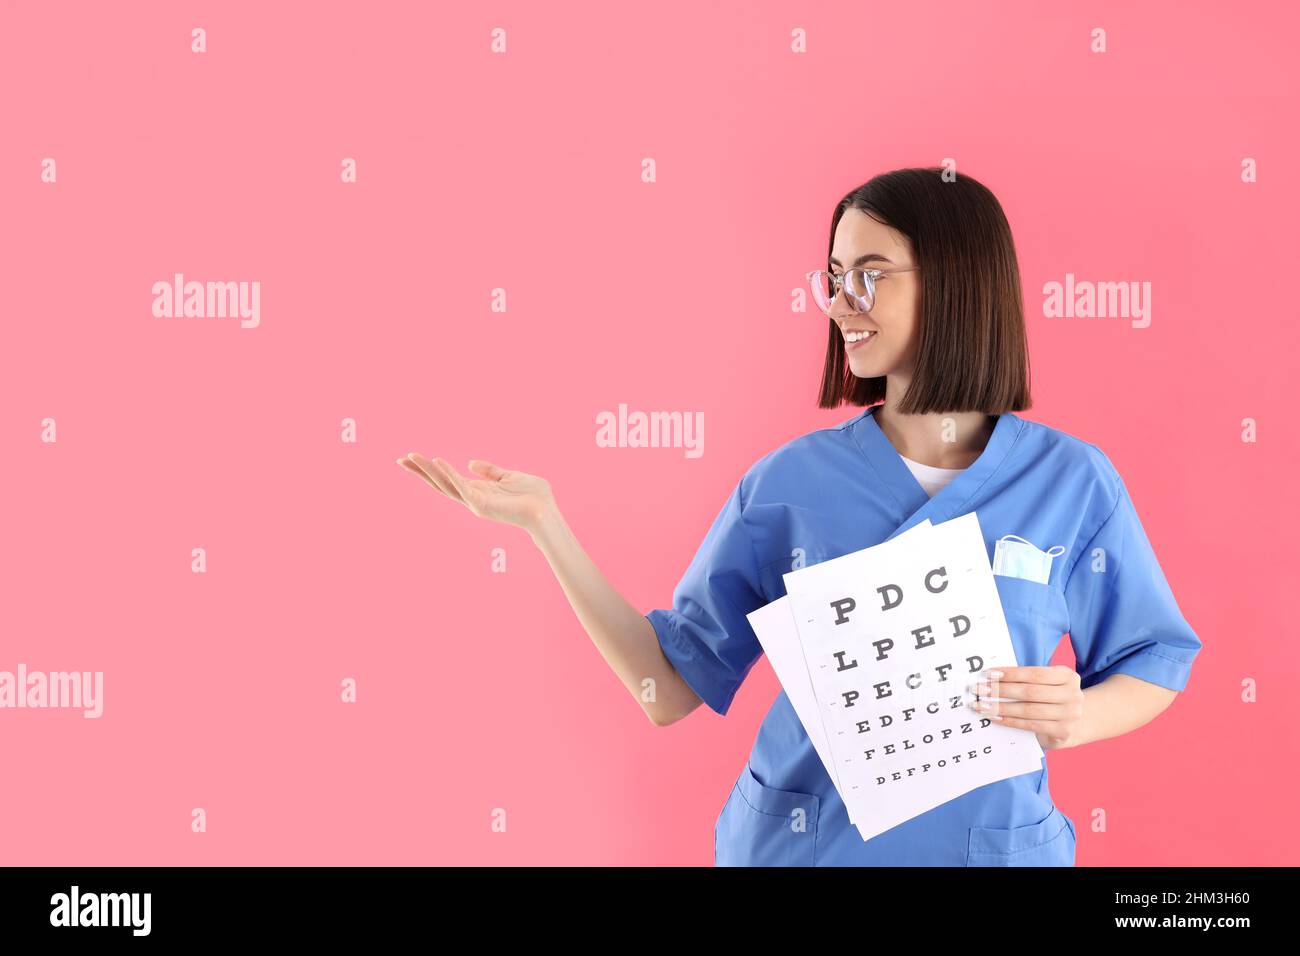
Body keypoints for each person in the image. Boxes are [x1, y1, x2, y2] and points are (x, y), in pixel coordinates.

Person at [396, 167, 1202, 866]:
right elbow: (667, 689)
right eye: (833, 276)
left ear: (956, 281)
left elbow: (1155, 658)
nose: (841, 302)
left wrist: (1079, 715)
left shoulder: (1072, 483)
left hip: (992, 849)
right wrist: (547, 526)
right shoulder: (788, 484)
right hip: (799, 847)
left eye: (871, 274)